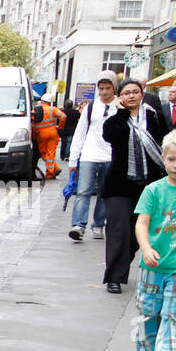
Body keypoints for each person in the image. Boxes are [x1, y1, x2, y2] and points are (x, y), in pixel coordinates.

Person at [131, 128, 176, 351]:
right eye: (171, 159)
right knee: (147, 311)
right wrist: (146, 248)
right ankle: (144, 349)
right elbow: (142, 223)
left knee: (174, 314)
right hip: (152, 265)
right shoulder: (153, 190)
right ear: (163, 158)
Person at [100, 78, 166, 294]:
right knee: (119, 231)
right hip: (119, 184)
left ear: (141, 94)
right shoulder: (115, 119)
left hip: (148, 184)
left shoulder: (153, 116)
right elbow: (110, 136)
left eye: (135, 92)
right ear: (120, 97)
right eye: (126, 93)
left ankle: (121, 265)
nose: (131, 96)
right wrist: (120, 114)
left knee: (137, 235)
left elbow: (164, 143)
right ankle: (115, 278)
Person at [67, 70, 120, 241]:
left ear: (114, 88)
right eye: (101, 88)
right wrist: (73, 159)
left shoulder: (120, 106)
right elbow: (80, 133)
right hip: (89, 155)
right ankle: (78, 225)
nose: (104, 92)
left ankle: (98, 224)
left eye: (108, 88)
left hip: (110, 156)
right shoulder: (90, 107)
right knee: (83, 192)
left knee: (105, 193)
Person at [31, 96, 65, 178]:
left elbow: (33, 123)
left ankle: (53, 170)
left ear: (41, 101)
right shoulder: (52, 109)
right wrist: (60, 127)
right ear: (49, 102)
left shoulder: (35, 110)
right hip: (53, 132)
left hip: (41, 134)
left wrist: (34, 135)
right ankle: (52, 171)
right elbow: (63, 116)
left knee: (43, 153)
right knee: (51, 153)